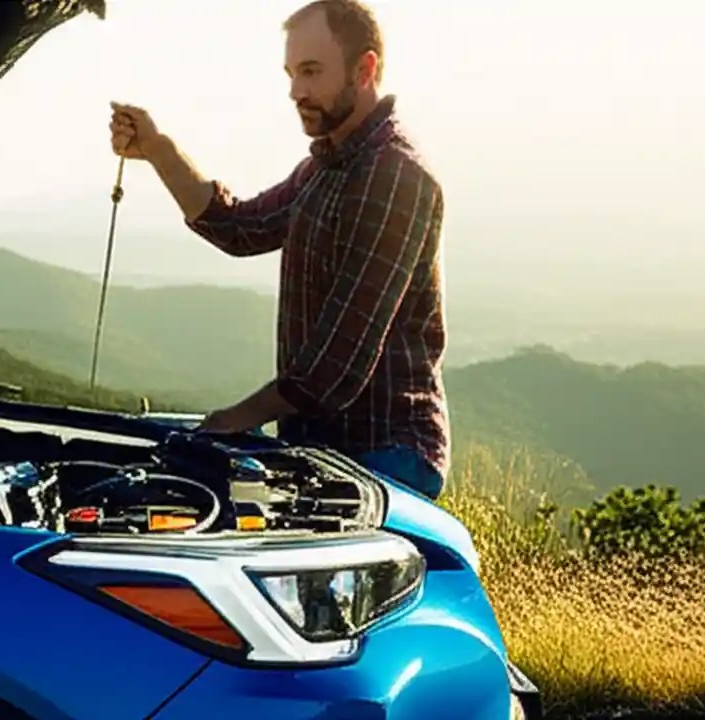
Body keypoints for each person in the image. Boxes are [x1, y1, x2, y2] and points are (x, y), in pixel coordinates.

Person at [107, 0, 449, 500]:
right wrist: (157, 149)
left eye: (311, 72)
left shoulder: (396, 176)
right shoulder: (325, 168)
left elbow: (337, 364)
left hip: (386, 455)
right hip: (324, 449)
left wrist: (231, 420)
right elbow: (239, 228)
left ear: (365, 68)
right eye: (291, 74)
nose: (296, 92)